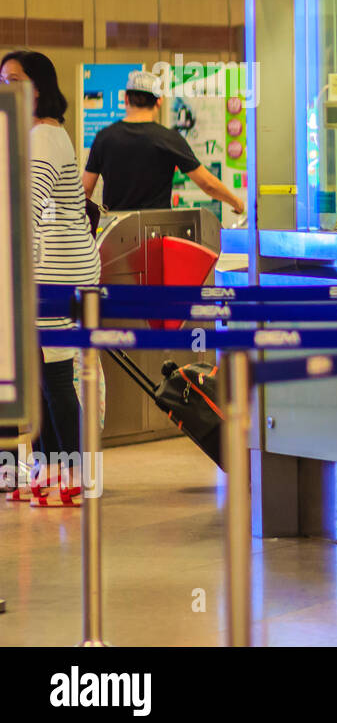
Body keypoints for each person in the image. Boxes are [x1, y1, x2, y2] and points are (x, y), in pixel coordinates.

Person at [0, 51, 101, 502]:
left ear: (38, 88)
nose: (5, 86)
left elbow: (29, 202)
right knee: (42, 373)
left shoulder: (42, 135)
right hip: (54, 265)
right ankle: (49, 467)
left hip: (57, 270)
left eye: (14, 79)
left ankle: (71, 469)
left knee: (54, 375)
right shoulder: (38, 133)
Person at [82, 70, 245, 214]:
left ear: (126, 98)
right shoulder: (169, 139)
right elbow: (207, 183)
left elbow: (86, 190)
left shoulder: (104, 137)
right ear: (159, 101)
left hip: (116, 231)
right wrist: (236, 203)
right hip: (157, 232)